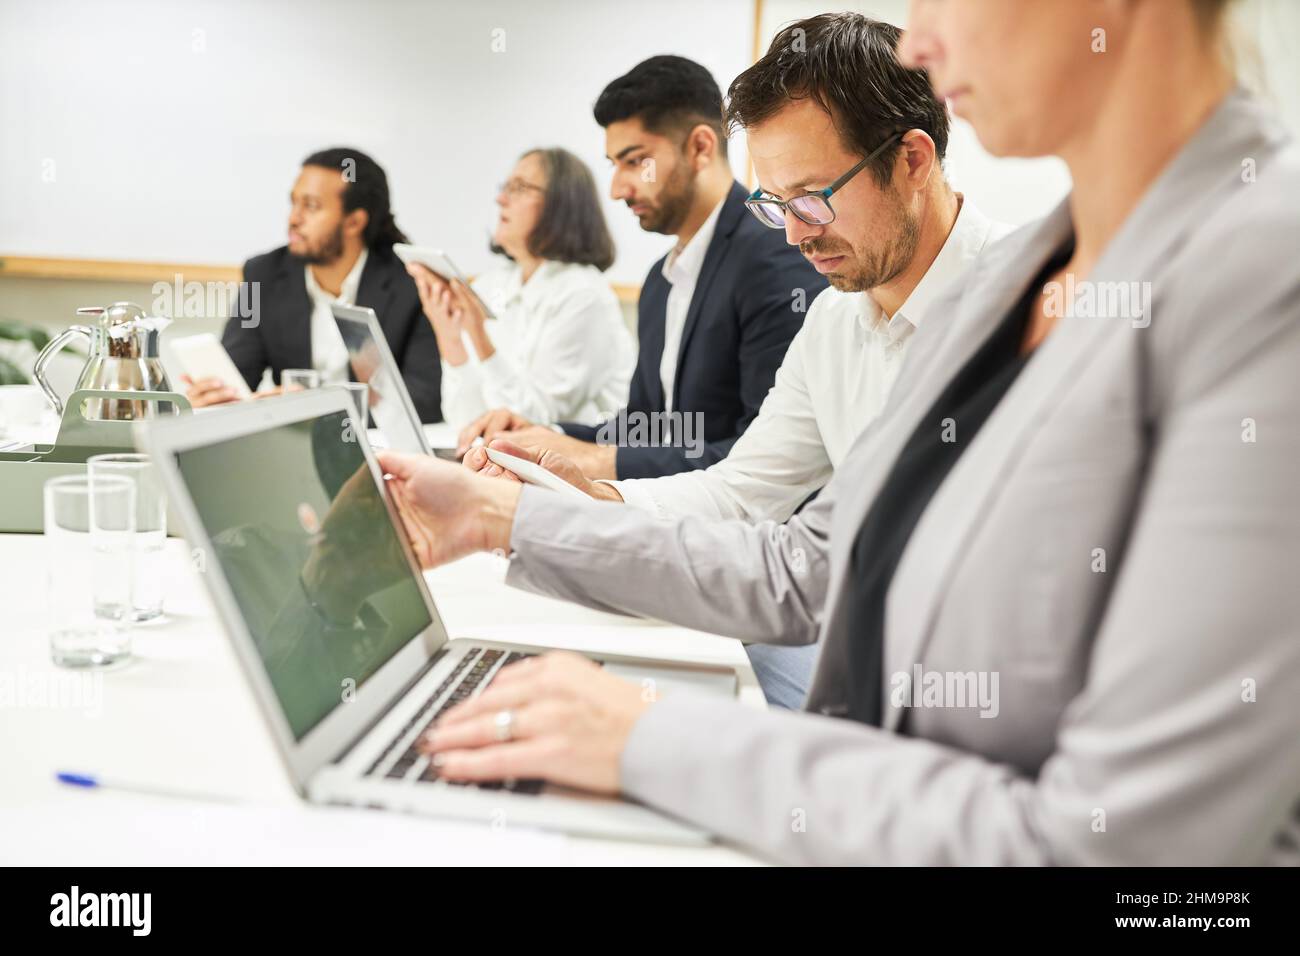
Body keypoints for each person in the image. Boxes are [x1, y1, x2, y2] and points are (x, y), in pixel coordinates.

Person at [372, 0, 1300, 866]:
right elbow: (807, 564)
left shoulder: (1263, 277)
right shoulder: (1014, 281)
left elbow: (1124, 849)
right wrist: (500, 517)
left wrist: (654, 737)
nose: (922, 44)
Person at [468, 16, 1012, 709]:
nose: (794, 233)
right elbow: (742, 491)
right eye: (774, 203)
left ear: (912, 159)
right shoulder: (835, 318)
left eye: (813, 197)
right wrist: (583, 499)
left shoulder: (1028, 307)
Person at [454, 55, 826, 479]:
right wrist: (546, 433)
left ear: (701, 147)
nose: (616, 189)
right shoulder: (660, 280)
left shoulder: (773, 258)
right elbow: (649, 429)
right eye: (614, 165)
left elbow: (770, 460)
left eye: (635, 162)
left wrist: (598, 461)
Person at [185, 147, 442, 423]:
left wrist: (315, 410)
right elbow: (237, 377)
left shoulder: (412, 282)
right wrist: (213, 396)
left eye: (311, 206)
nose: (293, 219)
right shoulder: (263, 274)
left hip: (383, 450)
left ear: (354, 221)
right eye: (294, 203)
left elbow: (425, 397)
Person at [411, 148, 633, 431]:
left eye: (520, 188)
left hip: (576, 466)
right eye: (505, 187)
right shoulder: (492, 284)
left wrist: (478, 336)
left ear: (562, 205)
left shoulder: (583, 295)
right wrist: (449, 336)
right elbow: (464, 419)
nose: (501, 199)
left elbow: (532, 422)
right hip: (507, 461)